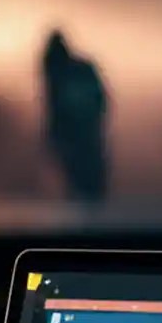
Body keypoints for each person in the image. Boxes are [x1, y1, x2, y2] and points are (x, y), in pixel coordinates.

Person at [41, 30, 109, 203]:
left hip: (82, 132)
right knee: (80, 179)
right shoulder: (68, 72)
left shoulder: (65, 72)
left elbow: (57, 106)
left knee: (85, 178)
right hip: (80, 132)